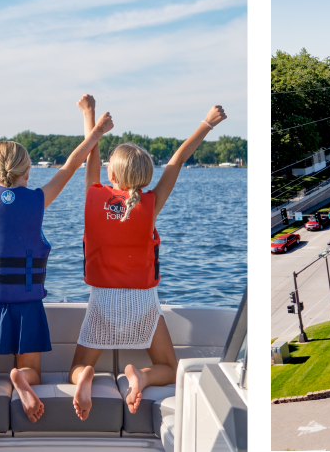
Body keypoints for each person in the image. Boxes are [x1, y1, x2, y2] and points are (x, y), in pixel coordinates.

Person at [0, 95, 113, 423]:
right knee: (32, 370)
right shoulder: (37, 200)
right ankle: (20, 380)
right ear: (28, 173)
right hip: (26, 304)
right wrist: (96, 133)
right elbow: (70, 165)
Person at [69, 102, 226, 420]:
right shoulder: (150, 205)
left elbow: (91, 159)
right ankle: (140, 376)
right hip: (142, 302)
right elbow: (178, 160)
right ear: (145, 177)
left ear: (110, 174)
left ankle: (84, 377)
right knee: (169, 368)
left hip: (103, 300)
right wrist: (207, 123)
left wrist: (89, 115)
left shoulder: (93, 197)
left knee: (76, 366)